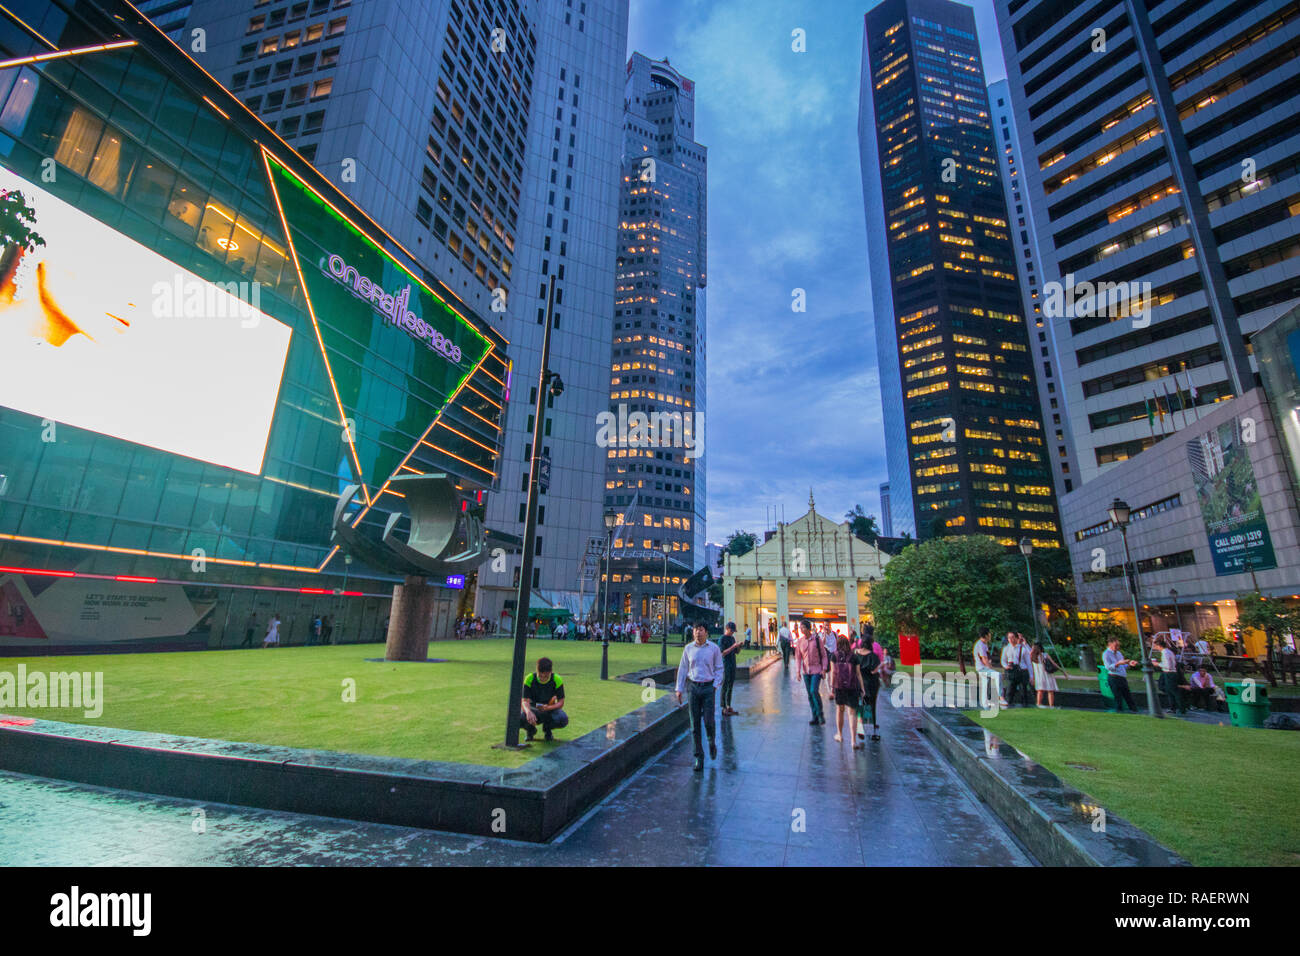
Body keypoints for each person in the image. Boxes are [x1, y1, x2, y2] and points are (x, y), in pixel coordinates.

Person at [675, 624, 724, 771]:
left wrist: (715, 685)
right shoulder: (688, 648)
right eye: (695, 630)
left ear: (706, 632)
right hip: (693, 688)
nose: (698, 633)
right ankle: (698, 757)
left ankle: (711, 741)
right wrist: (679, 688)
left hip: (708, 688)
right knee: (694, 724)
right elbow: (683, 668)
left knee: (709, 721)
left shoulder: (714, 648)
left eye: (701, 630)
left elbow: (719, 668)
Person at [521, 657, 568, 742]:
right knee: (518, 718)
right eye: (540, 675)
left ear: (550, 672)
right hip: (533, 709)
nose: (543, 678)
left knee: (562, 719)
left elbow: (561, 702)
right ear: (537, 671)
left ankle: (547, 730)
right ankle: (530, 730)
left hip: (549, 710)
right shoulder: (529, 678)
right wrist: (528, 712)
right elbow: (524, 700)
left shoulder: (556, 679)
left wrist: (548, 708)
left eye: (546, 676)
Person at [829, 635, 864, 747]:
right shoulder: (854, 657)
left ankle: (840, 735)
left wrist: (832, 689)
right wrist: (862, 688)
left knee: (840, 710)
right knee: (852, 713)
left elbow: (833, 673)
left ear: (837, 644)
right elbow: (858, 674)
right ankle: (853, 741)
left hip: (839, 686)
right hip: (852, 687)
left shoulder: (834, 656)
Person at [794, 620, 828, 726]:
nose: (801, 629)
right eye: (800, 627)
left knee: (814, 691)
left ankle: (820, 714)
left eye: (803, 627)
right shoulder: (800, 642)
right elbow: (798, 658)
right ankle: (815, 717)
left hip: (816, 670)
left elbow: (824, 656)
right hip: (806, 672)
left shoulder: (817, 640)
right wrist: (798, 671)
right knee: (810, 695)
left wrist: (824, 669)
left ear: (808, 629)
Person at [853, 636, 882, 741]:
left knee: (860, 705)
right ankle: (871, 728)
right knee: (871, 705)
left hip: (858, 683)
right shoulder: (873, 656)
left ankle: (860, 727)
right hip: (871, 683)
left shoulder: (856, 654)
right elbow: (874, 671)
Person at [1102, 637, 1140, 713]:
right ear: (1110, 644)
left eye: (1118, 645)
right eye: (1116, 645)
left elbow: (1122, 666)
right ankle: (1119, 710)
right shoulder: (1106, 654)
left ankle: (1134, 710)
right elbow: (1108, 667)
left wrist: (1129, 664)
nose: (1117, 648)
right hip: (1113, 677)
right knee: (1117, 696)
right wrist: (1118, 663)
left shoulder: (1119, 653)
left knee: (1127, 695)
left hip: (1122, 677)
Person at [1153, 637, 1187, 715]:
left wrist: (1157, 664)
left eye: (1155, 646)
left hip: (1170, 673)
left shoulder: (1165, 653)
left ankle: (1181, 708)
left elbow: (1167, 665)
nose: (1155, 648)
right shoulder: (1168, 652)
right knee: (1170, 691)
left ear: (1159, 646)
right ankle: (1173, 707)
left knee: (1174, 691)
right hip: (1170, 673)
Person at [719, 621, 746, 715]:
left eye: (733, 631)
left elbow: (736, 652)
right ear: (727, 629)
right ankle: (723, 707)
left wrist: (739, 646)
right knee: (725, 685)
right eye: (731, 630)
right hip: (726, 663)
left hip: (732, 663)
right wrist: (732, 646)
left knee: (731, 685)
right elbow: (722, 653)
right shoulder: (722, 639)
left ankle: (728, 705)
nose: (732, 633)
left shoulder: (732, 638)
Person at [973, 626, 1003, 708]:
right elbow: (984, 659)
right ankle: (1001, 697)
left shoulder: (983, 644)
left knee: (985, 685)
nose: (990, 635)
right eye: (989, 633)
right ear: (986, 635)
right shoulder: (981, 644)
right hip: (982, 668)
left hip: (981, 668)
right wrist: (990, 668)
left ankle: (985, 705)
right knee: (998, 675)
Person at [1030, 641, 1059, 708]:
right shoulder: (1042, 655)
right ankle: (1049, 705)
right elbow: (1053, 663)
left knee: (1042, 690)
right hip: (1045, 674)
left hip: (1041, 675)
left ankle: (1040, 704)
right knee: (1048, 690)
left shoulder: (1035, 656)